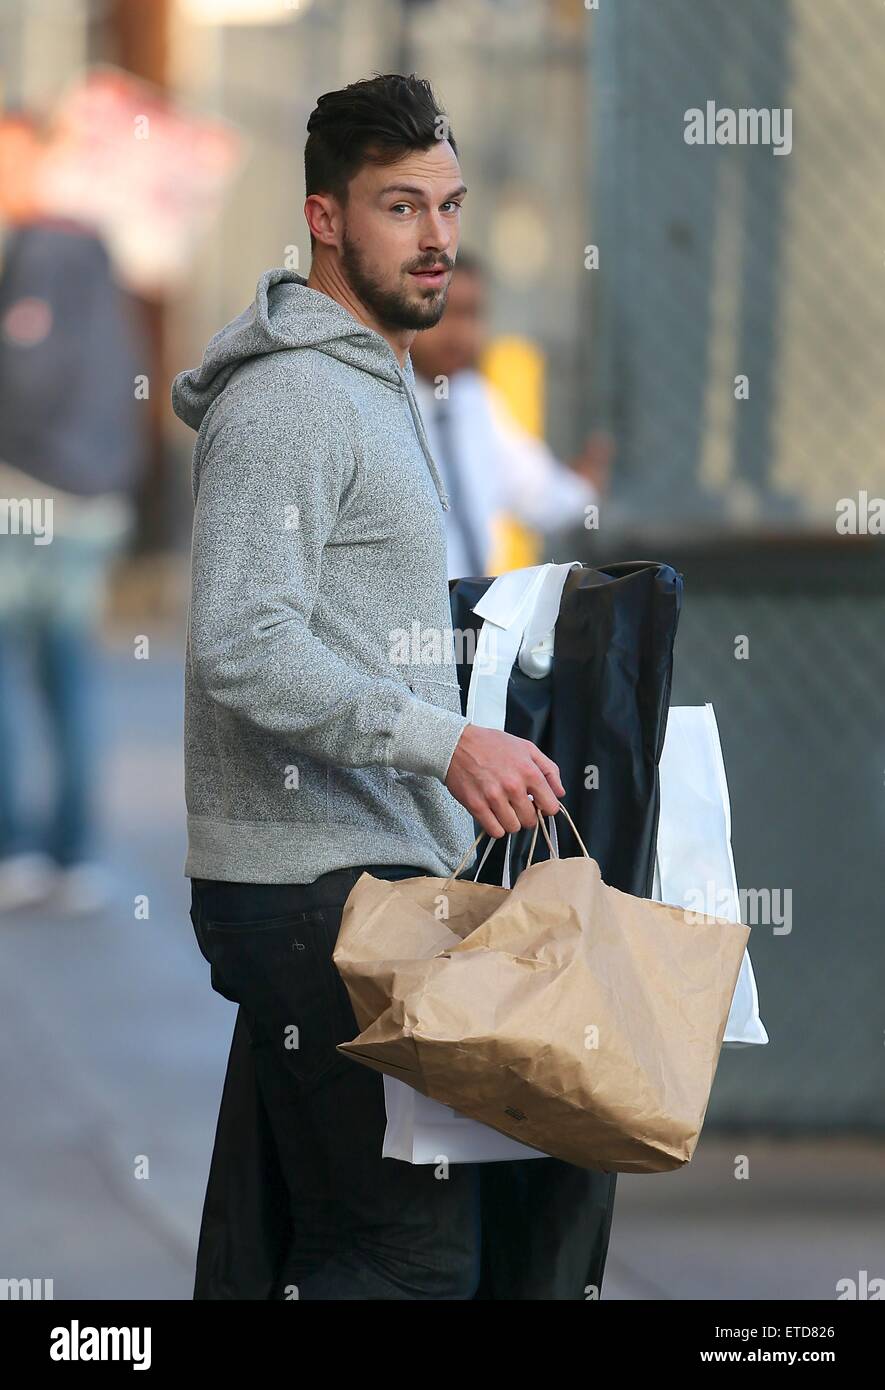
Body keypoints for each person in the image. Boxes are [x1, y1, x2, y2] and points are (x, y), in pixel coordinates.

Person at [173, 73, 565, 1300]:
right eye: (402, 207)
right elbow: (241, 637)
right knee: (403, 1254)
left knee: (302, 1237)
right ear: (326, 218)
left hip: (349, 881)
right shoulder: (296, 396)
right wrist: (440, 741)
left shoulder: (376, 376)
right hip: (317, 894)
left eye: (448, 205)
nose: (438, 237)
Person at [0, 110, 145, 914]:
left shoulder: (42, 248)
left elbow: (25, 378)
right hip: (93, 494)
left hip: (29, 492)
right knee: (68, 675)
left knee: (15, 673)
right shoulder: (91, 245)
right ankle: (74, 851)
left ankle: (20, 847)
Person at [409, 249, 611, 579]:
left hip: (472, 614)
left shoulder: (475, 400)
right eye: (445, 313)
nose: (461, 333)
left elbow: (536, 491)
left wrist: (582, 488)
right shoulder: (384, 400)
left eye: (473, 315)